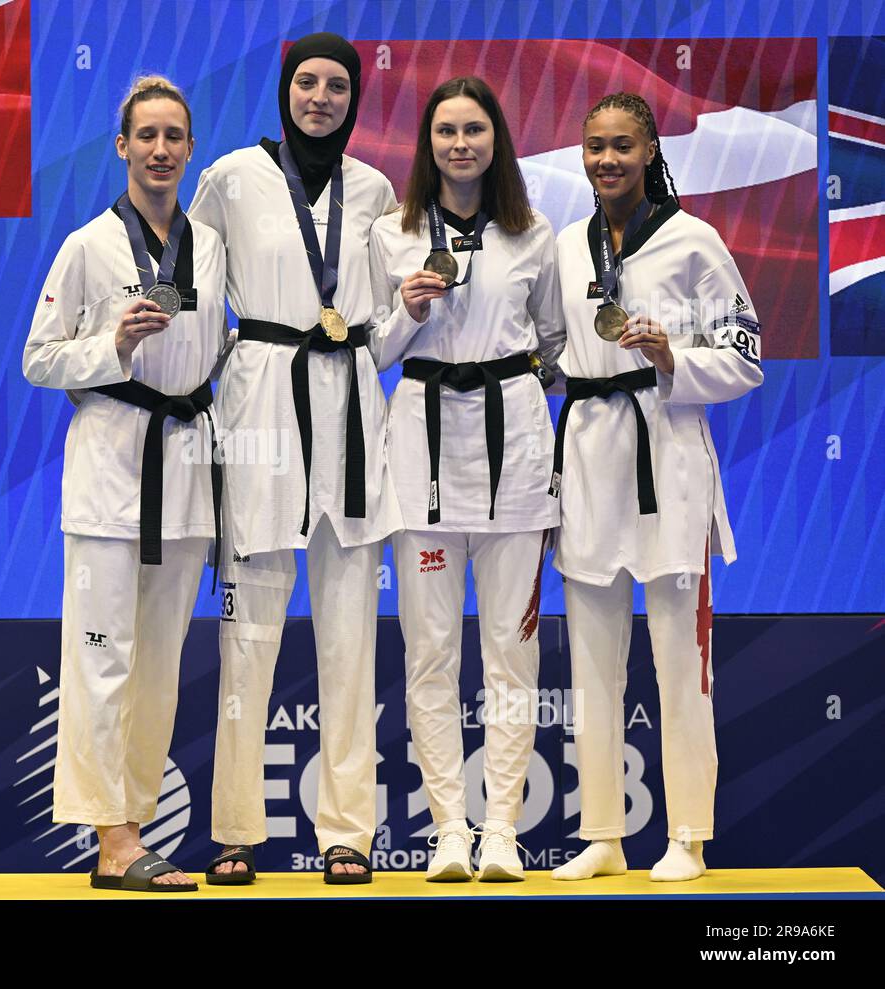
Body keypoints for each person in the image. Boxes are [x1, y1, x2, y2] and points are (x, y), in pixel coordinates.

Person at [189, 32, 402, 885]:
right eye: (307, 83)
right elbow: (192, 292)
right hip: (260, 407)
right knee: (248, 637)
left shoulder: (378, 190)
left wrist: (397, 326)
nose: (320, 97)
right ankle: (236, 827)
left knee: (351, 640)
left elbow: (385, 322)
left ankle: (347, 831)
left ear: (355, 98)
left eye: (337, 86)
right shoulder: (232, 179)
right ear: (284, 90)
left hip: (350, 407)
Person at [548, 93, 763, 882]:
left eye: (623, 147)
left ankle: (688, 835)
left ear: (650, 151)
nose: (608, 160)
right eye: (595, 146)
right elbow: (547, 345)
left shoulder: (695, 241)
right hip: (590, 458)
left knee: (680, 659)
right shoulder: (569, 247)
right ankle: (602, 833)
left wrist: (676, 357)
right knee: (592, 661)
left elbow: (745, 353)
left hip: (667, 455)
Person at [23, 75, 227, 892]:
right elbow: (38, 358)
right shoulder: (85, 245)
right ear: (121, 145)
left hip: (184, 472)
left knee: (158, 669)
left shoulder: (208, 244)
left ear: (189, 147)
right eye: (146, 134)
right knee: (101, 661)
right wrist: (112, 345)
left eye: (175, 135)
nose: (161, 149)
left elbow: (217, 352)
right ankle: (112, 839)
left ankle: (135, 830)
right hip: (109, 472)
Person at [369, 77, 564, 882]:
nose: (460, 143)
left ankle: (504, 829)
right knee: (431, 652)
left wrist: (511, 393)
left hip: (514, 455)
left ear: (496, 140)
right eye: (446, 129)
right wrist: (408, 314)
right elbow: (370, 351)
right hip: (421, 453)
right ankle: (450, 825)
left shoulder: (535, 233)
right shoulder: (390, 234)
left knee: (512, 654)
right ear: (427, 142)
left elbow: (554, 345)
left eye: (474, 129)